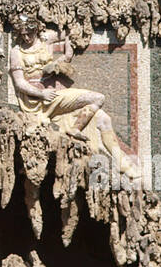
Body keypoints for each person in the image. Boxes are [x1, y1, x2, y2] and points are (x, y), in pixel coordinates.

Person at [8, 17, 138, 176]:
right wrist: (41, 93)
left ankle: (120, 161)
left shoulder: (46, 39)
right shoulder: (16, 51)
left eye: (29, 34)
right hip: (36, 102)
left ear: (36, 30)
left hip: (55, 96)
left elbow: (70, 32)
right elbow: (20, 82)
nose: (26, 38)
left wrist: (66, 57)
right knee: (98, 98)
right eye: (23, 34)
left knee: (103, 118)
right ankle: (75, 129)